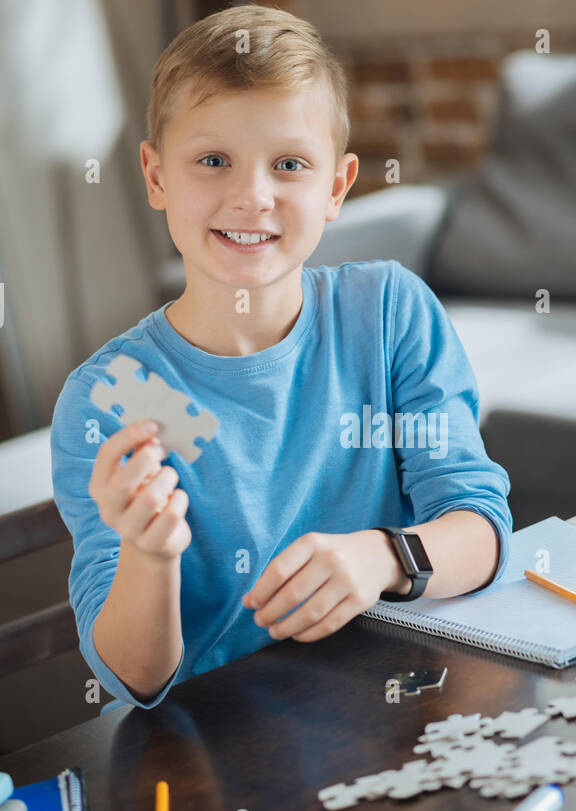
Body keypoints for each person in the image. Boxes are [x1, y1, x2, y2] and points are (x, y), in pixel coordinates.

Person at [50, 4, 511, 712]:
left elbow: (479, 526)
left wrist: (383, 556)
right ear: (156, 176)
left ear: (336, 186)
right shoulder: (116, 395)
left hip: (381, 710)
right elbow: (133, 679)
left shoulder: (388, 314)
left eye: (289, 164)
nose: (252, 196)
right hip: (215, 752)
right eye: (212, 161)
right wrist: (148, 555)